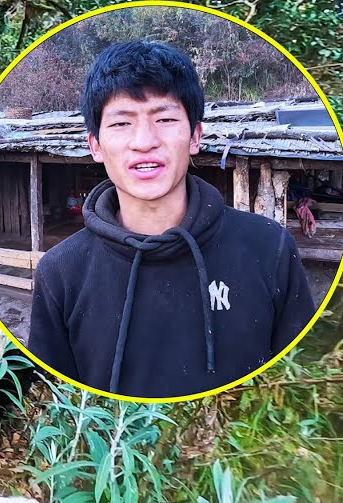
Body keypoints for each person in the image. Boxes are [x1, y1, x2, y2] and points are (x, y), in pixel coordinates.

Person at [27, 40, 317, 397]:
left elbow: (300, 385)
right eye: (121, 122)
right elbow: (51, 402)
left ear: (195, 136)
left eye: (164, 119)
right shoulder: (61, 271)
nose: (144, 141)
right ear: (95, 146)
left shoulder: (269, 248)